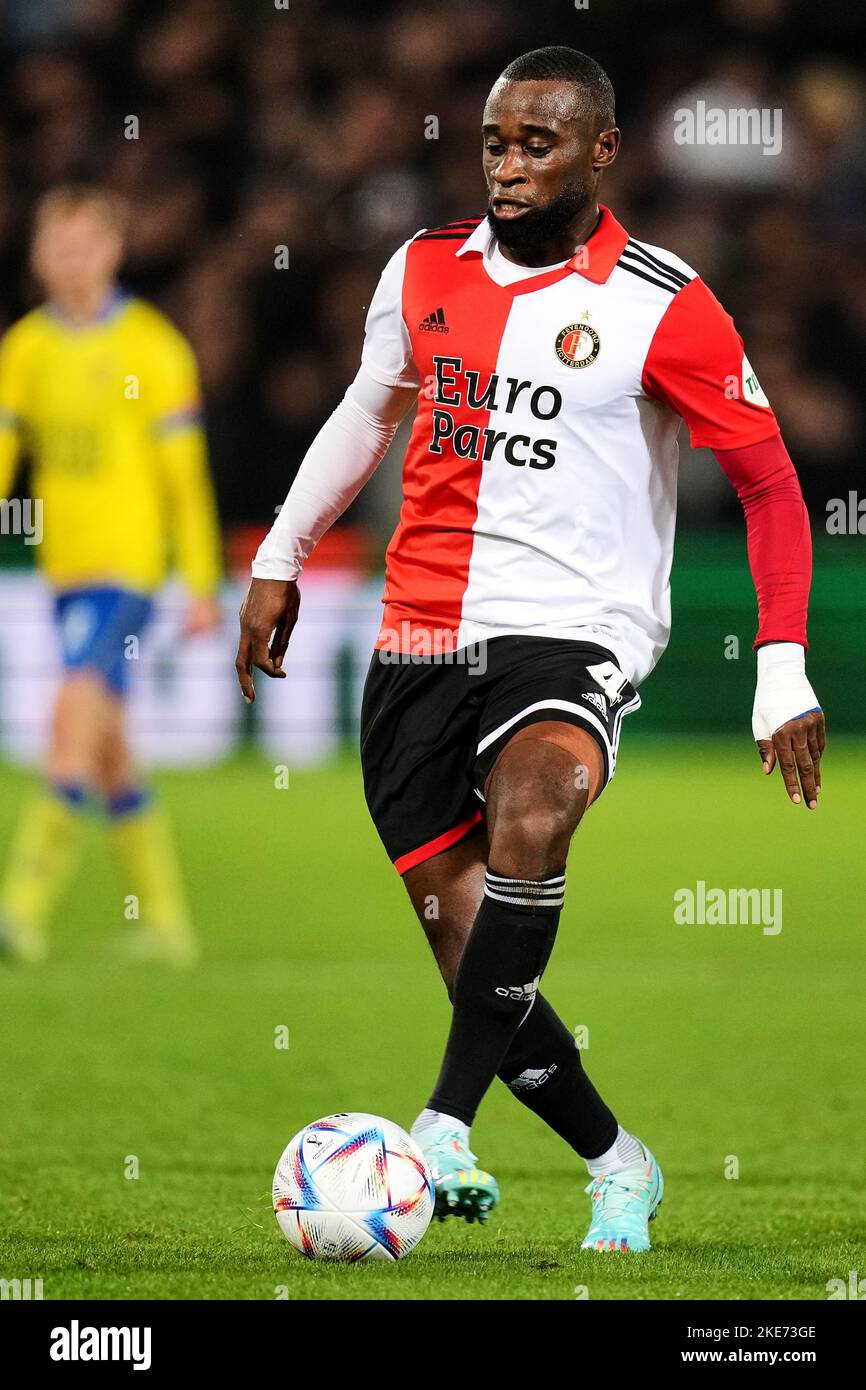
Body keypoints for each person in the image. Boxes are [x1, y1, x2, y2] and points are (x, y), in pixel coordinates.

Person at [235, 48, 824, 1253]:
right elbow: (366, 410)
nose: (506, 164)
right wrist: (281, 556)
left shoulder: (665, 303)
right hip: (416, 633)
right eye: (495, 142)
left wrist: (779, 664)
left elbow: (768, 482)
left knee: (535, 814)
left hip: (577, 627)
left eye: (535, 143)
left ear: (601, 150)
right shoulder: (420, 271)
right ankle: (620, 1160)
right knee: (466, 942)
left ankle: (440, 1125)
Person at [0, 183, 222, 965]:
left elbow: (183, 478)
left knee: (69, 723)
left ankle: (18, 909)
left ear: (113, 251)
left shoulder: (152, 348)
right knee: (108, 750)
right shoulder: (24, 349)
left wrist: (200, 582)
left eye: (84, 245)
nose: (69, 261)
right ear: (37, 253)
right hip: (61, 570)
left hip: (128, 571)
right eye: (56, 245)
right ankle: (166, 924)